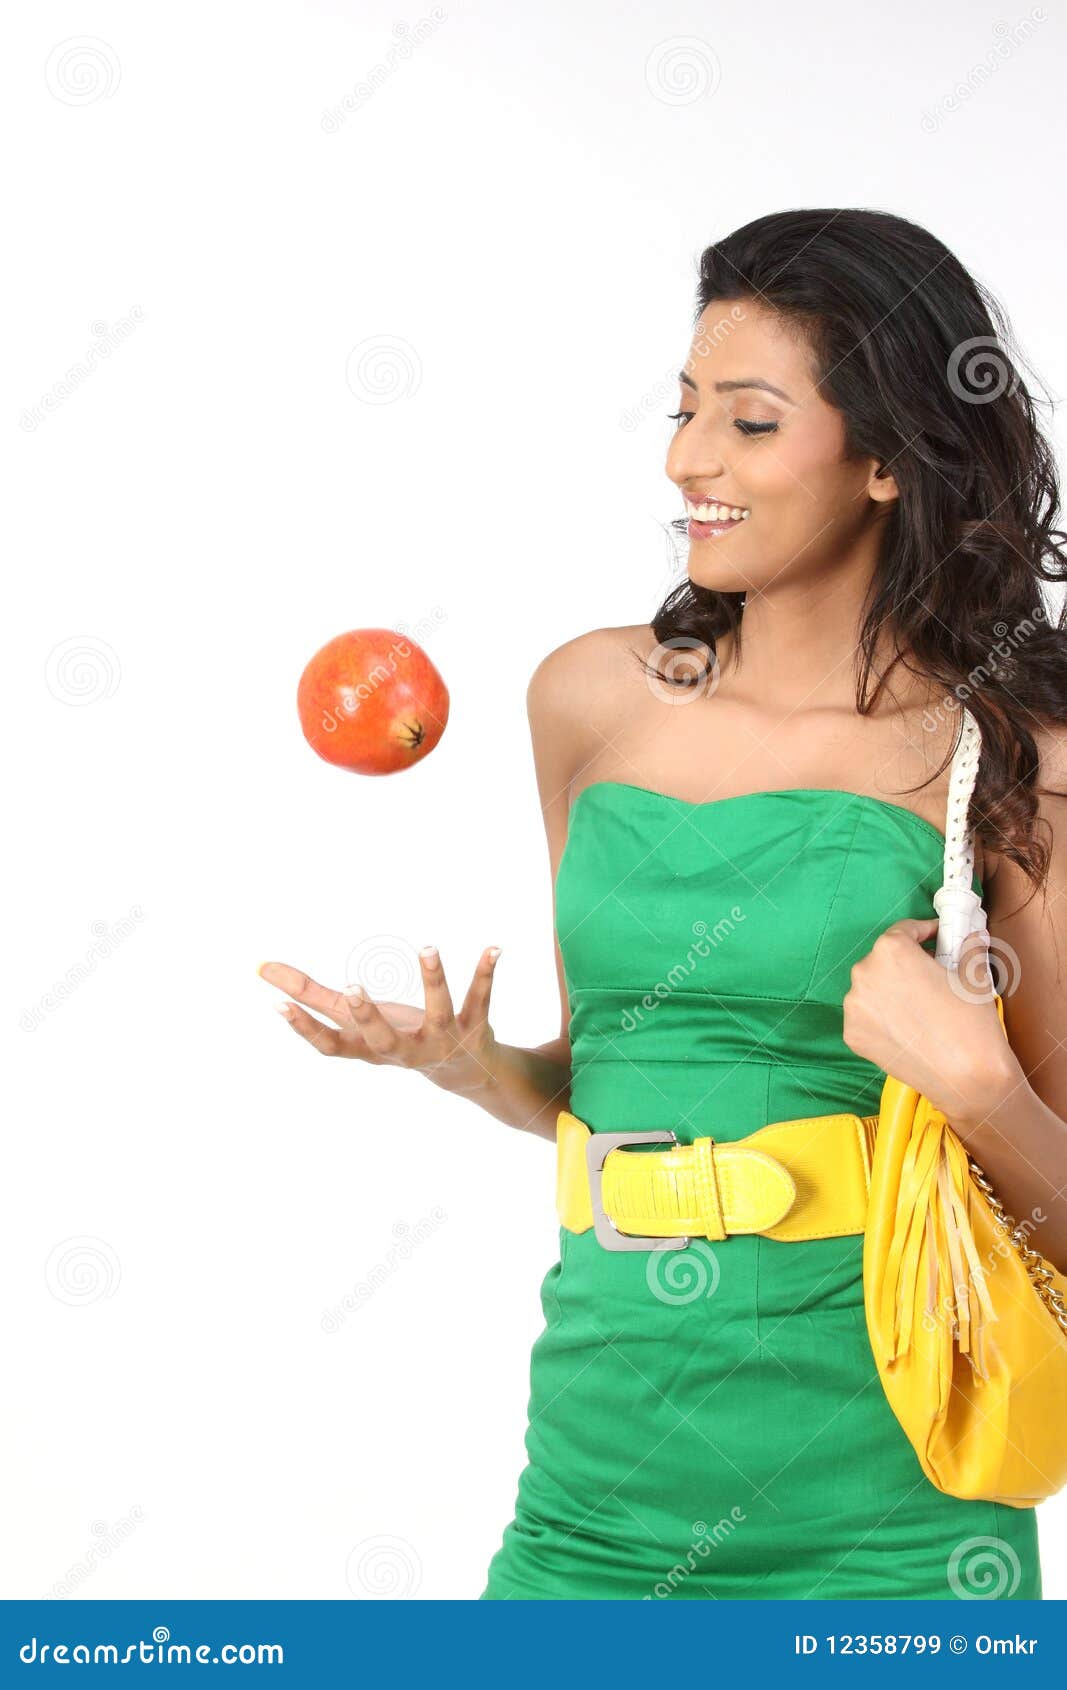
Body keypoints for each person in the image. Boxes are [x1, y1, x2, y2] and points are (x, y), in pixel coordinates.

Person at [260, 208, 1067, 1599]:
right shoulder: (588, 700)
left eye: (750, 422)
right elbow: (616, 1078)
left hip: (890, 1522)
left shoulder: (1011, 749)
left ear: (888, 459)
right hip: (593, 1494)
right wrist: (479, 1068)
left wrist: (981, 1086)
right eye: (686, 409)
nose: (689, 458)